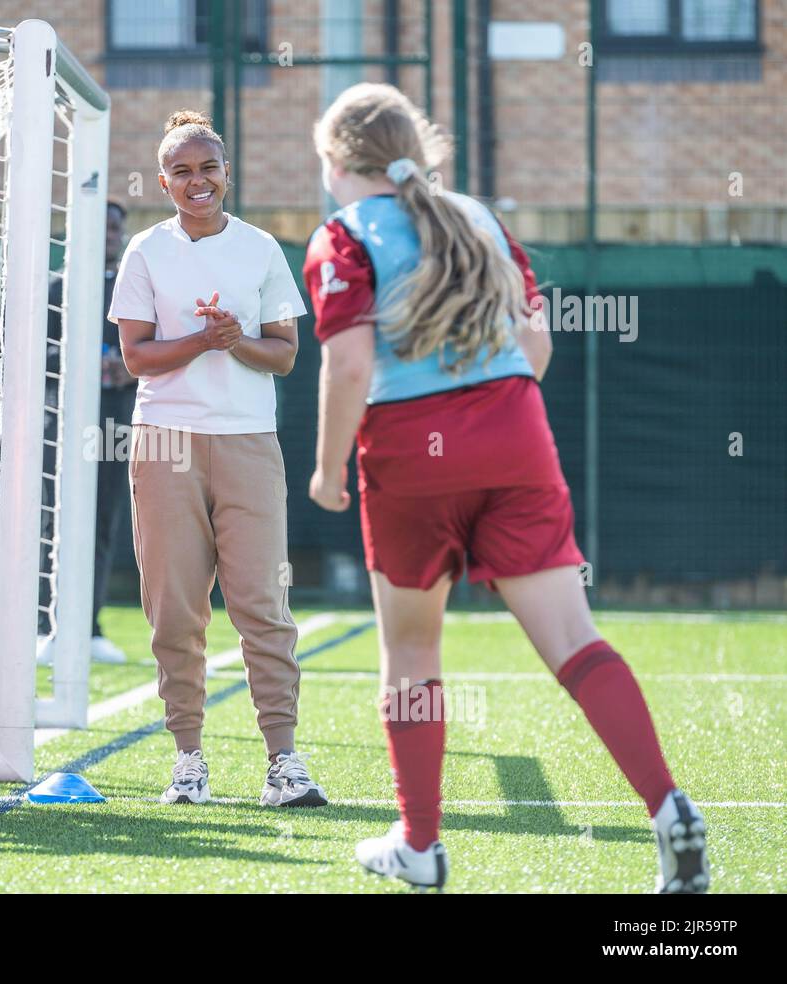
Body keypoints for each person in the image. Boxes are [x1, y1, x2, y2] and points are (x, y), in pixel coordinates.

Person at [304, 82, 709, 893]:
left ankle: (420, 846)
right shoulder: (479, 218)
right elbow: (534, 337)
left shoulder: (341, 235)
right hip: (516, 433)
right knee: (576, 641)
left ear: (339, 163)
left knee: (412, 653)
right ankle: (670, 808)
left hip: (411, 453)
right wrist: (497, 412)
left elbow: (349, 363)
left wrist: (326, 468)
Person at [109, 110, 327, 809]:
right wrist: (201, 342)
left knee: (262, 604)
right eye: (182, 170)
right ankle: (188, 760)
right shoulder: (145, 249)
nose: (196, 181)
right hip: (165, 439)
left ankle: (284, 763)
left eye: (208, 168)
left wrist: (233, 341)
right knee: (174, 609)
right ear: (164, 179)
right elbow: (136, 356)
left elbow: (285, 354)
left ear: (226, 173)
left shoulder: (261, 249)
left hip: (246, 440)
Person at [37, 200, 135, 666]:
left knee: (102, 520)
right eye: (102, 226)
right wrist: (80, 365)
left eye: (116, 228)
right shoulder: (57, 290)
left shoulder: (134, 291)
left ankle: (89, 626)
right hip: (59, 422)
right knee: (50, 521)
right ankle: (44, 626)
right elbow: (32, 358)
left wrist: (127, 371)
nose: (110, 235)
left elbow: (153, 353)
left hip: (114, 422)